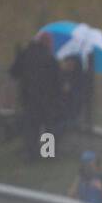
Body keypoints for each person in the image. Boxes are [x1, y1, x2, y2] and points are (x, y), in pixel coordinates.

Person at [8, 32, 61, 160]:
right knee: (48, 127)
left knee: (31, 127)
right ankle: (47, 154)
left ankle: (31, 154)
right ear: (47, 43)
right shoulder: (50, 58)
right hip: (47, 100)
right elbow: (57, 81)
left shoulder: (25, 54)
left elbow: (14, 73)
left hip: (28, 98)